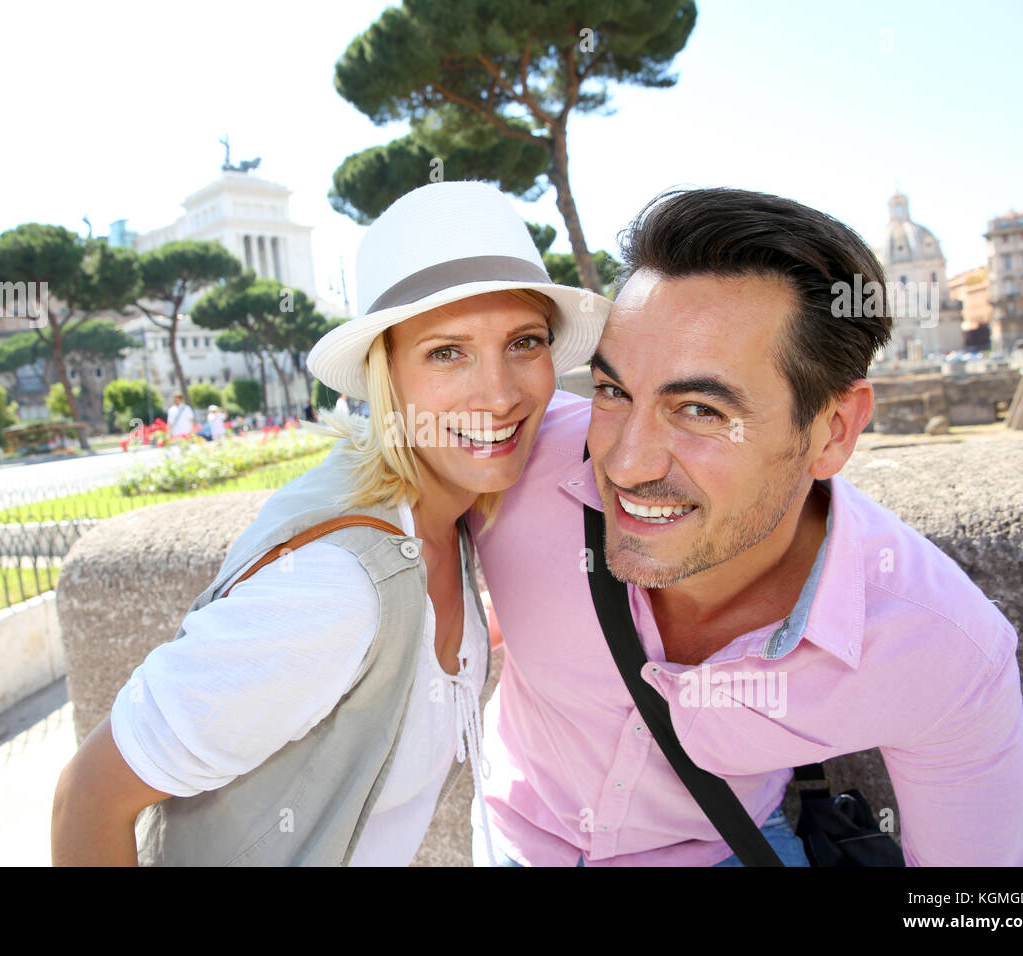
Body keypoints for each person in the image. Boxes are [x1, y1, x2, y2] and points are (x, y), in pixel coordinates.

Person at [467, 187, 1023, 867]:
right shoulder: (509, 463)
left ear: (833, 431)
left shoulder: (940, 647)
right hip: (510, 840)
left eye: (702, 410)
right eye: (614, 392)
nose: (623, 463)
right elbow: (364, 474)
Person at [50, 180, 608, 867]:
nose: (499, 393)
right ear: (386, 376)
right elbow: (87, 795)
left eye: (524, 342)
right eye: (446, 351)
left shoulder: (449, 517)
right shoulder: (335, 587)